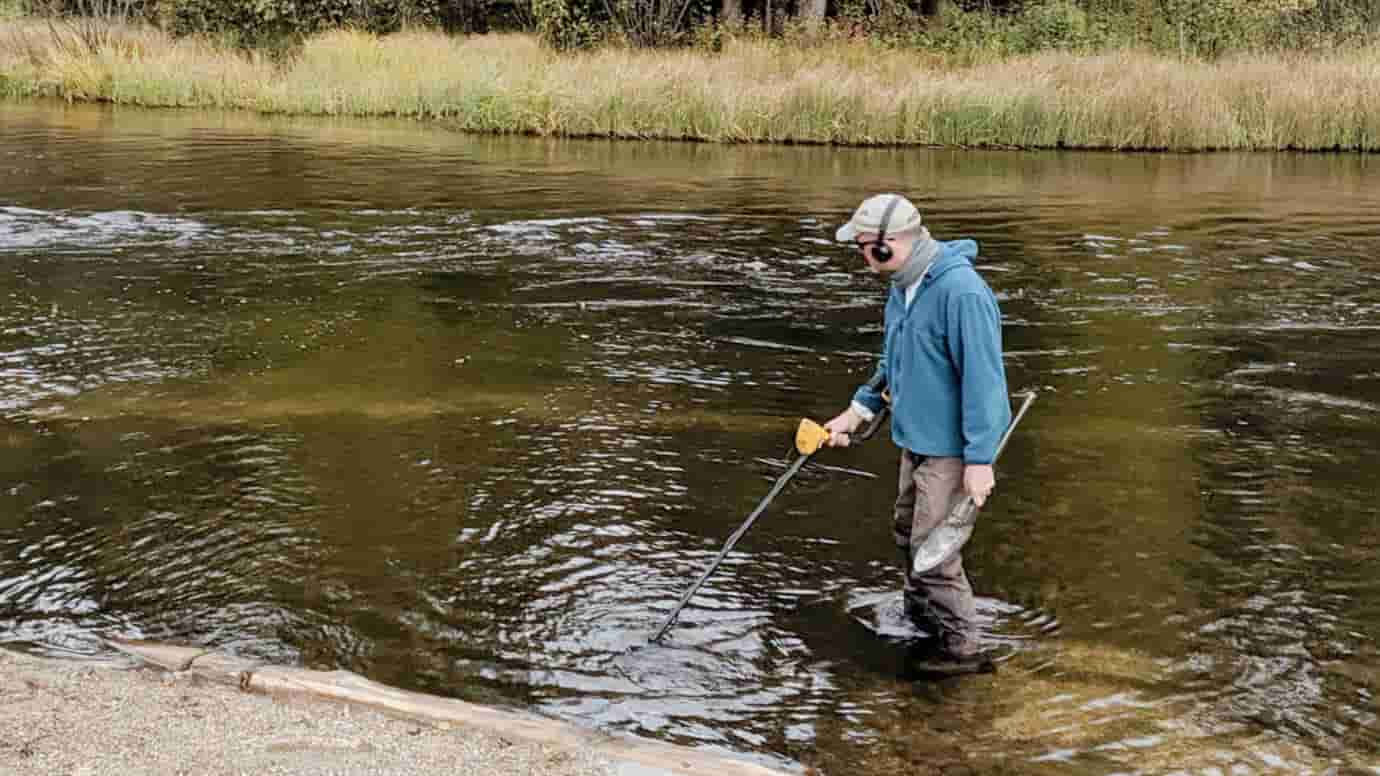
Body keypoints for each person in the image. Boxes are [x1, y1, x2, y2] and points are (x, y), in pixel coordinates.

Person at [823, 193, 1011, 676]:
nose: (860, 255)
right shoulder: (903, 286)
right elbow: (893, 359)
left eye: (863, 246)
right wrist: (856, 410)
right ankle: (923, 621)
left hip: (952, 449)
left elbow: (985, 381)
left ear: (888, 246)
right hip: (915, 439)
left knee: (934, 553)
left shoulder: (962, 293)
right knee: (907, 532)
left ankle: (964, 651)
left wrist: (980, 460)